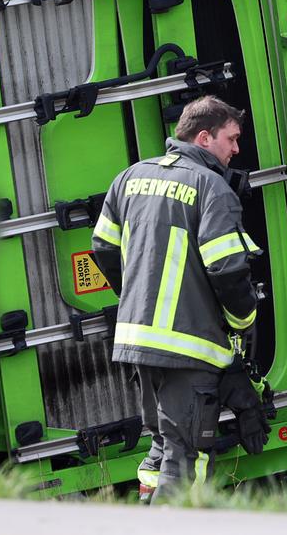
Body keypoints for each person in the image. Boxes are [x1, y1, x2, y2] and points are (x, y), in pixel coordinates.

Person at [92, 95, 261, 502]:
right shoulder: (211, 187)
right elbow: (227, 268)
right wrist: (243, 322)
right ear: (204, 137)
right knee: (187, 459)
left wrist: (136, 296)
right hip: (186, 347)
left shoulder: (129, 177)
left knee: (162, 447)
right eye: (231, 139)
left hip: (138, 342)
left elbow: (102, 246)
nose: (236, 149)